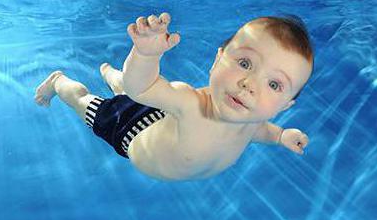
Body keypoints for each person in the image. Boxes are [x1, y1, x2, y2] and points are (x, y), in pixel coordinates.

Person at [35, 12, 314, 181]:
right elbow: (141, 88)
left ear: (285, 105)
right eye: (245, 63)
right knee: (85, 101)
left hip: (163, 117)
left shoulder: (251, 119)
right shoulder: (190, 103)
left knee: (136, 93)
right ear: (218, 59)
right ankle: (59, 82)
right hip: (131, 130)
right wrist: (146, 54)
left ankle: (110, 74)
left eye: (275, 85)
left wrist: (279, 136)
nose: (249, 85)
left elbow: (259, 130)